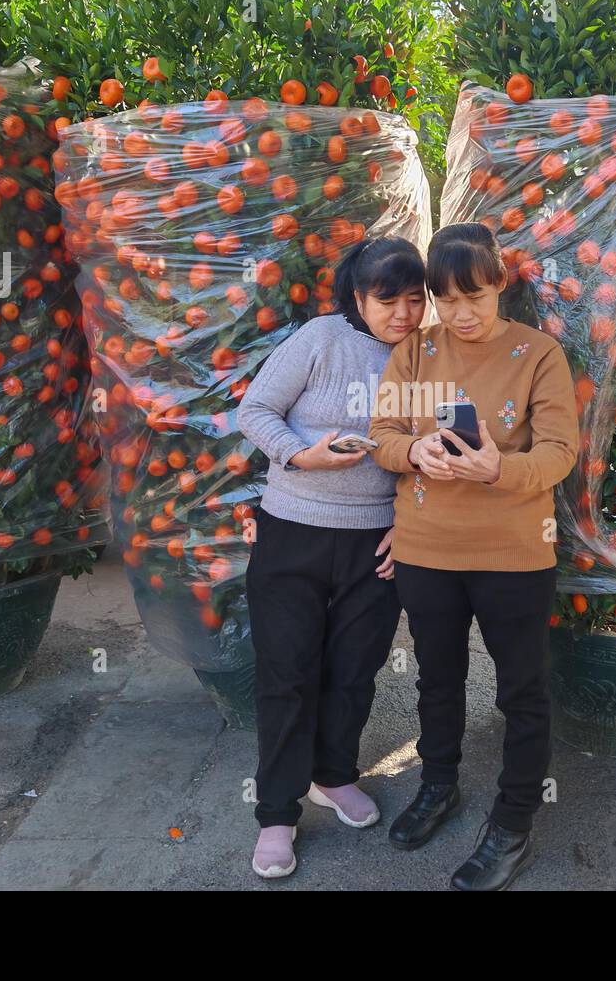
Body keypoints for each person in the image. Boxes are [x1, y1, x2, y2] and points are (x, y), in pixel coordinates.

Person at [369, 222, 580, 891]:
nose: (461, 314)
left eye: (476, 297)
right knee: (437, 678)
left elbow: (559, 452)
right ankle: (439, 784)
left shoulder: (538, 353)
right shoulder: (416, 353)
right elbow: (381, 434)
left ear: (500, 285)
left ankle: (513, 821)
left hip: (515, 552)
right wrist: (414, 451)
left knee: (522, 688)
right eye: (446, 299)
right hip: (428, 550)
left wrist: (498, 468)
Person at [236, 237, 428, 879]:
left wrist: (410, 524)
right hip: (294, 531)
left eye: (414, 298)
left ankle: (333, 774)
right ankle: (277, 815)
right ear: (357, 297)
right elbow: (254, 410)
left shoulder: (429, 358)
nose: (402, 313)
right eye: (387, 299)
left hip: (375, 541)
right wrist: (300, 454)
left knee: (355, 668)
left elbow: (442, 450)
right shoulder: (321, 339)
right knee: (288, 672)